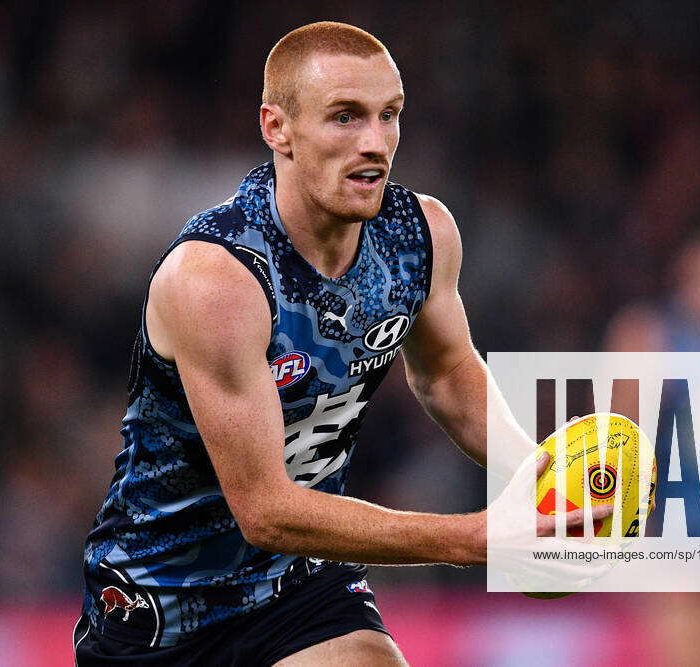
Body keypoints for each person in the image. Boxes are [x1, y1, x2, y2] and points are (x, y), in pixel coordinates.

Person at [75, 21, 602, 666]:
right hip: (161, 608)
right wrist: (476, 538)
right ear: (277, 128)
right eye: (346, 118)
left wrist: (539, 477)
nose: (376, 143)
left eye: (390, 116)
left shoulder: (420, 235)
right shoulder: (218, 280)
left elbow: (444, 372)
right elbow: (264, 510)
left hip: (298, 583)